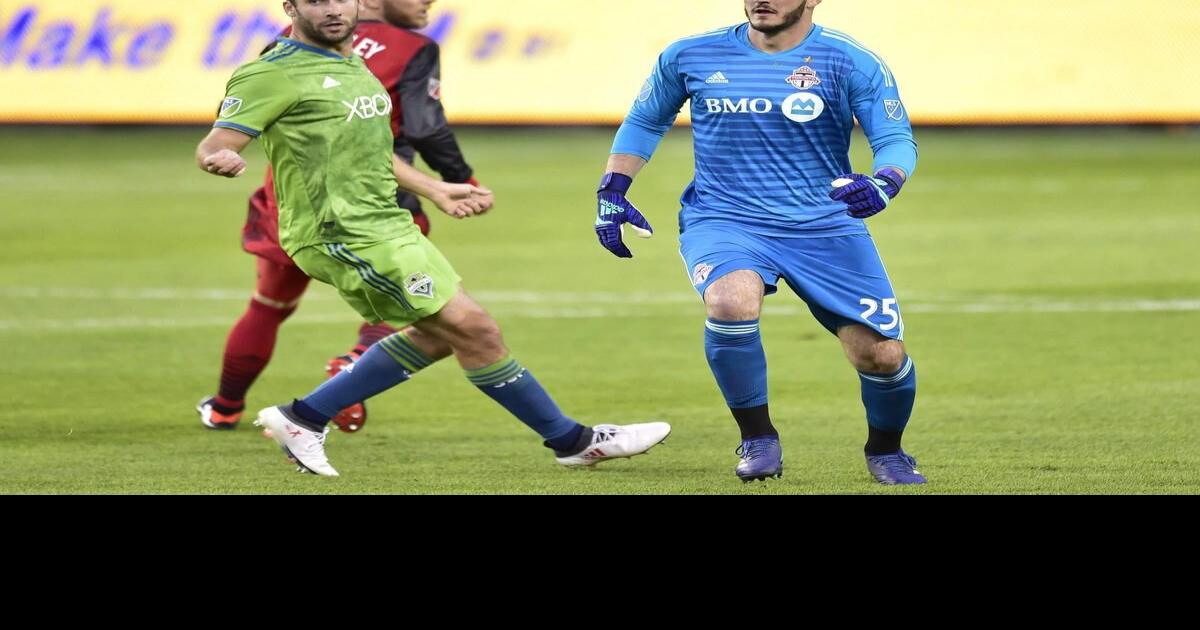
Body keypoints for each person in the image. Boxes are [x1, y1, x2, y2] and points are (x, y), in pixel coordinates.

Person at [196, 0, 670, 477]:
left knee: (440, 336)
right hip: (340, 231)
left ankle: (305, 417)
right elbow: (216, 142)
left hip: (388, 223)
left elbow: (372, 152)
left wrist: (436, 188)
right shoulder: (270, 73)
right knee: (475, 329)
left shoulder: (350, 61)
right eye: (317, 0)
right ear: (291, 7)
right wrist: (222, 158)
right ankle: (574, 440)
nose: (332, 9)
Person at [594, 0, 924, 484]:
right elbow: (645, 121)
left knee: (881, 355)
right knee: (729, 302)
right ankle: (758, 438)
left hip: (825, 225)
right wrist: (612, 190)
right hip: (725, 218)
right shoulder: (690, 55)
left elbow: (895, 137)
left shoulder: (849, 60)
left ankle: (887, 450)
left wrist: (885, 182)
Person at [198, 0, 485, 435]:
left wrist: (219, 152)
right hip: (375, 204)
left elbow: (236, 119)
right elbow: (427, 127)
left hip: (289, 205)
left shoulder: (287, 45)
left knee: (268, 305)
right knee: (412, 310)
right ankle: (348, 371)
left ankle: (224, 407)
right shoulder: (409, 47)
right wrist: (459, 178)